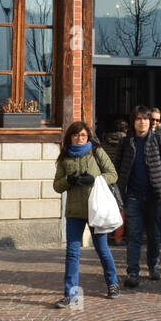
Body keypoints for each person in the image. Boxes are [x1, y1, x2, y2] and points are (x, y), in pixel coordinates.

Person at [51, 121, 120, 306]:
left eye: (83, 135)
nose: (79, 138)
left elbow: (113, 174)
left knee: (102, 249)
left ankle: (113, 283)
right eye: (76, 135)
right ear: (70, 137)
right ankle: (71, 295)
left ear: (88, 136)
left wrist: (95, 179)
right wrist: (69, 180)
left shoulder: (96, 152)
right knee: (72, 253)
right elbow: (57, 186)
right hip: (74, 211)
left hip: (95, 210)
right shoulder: (65, 157)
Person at [115, 106, 161, 288]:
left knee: (154, 234)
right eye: (139, 119)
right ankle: (133, 272)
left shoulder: (158, 140)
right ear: (133, 122)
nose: (142, 122)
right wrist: (120, 191)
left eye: (145, 119)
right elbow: (117, 168)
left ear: (150, 122)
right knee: (133, 235)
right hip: (132, 195)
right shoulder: (126, 142)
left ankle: (153, 266)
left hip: (154, 196)